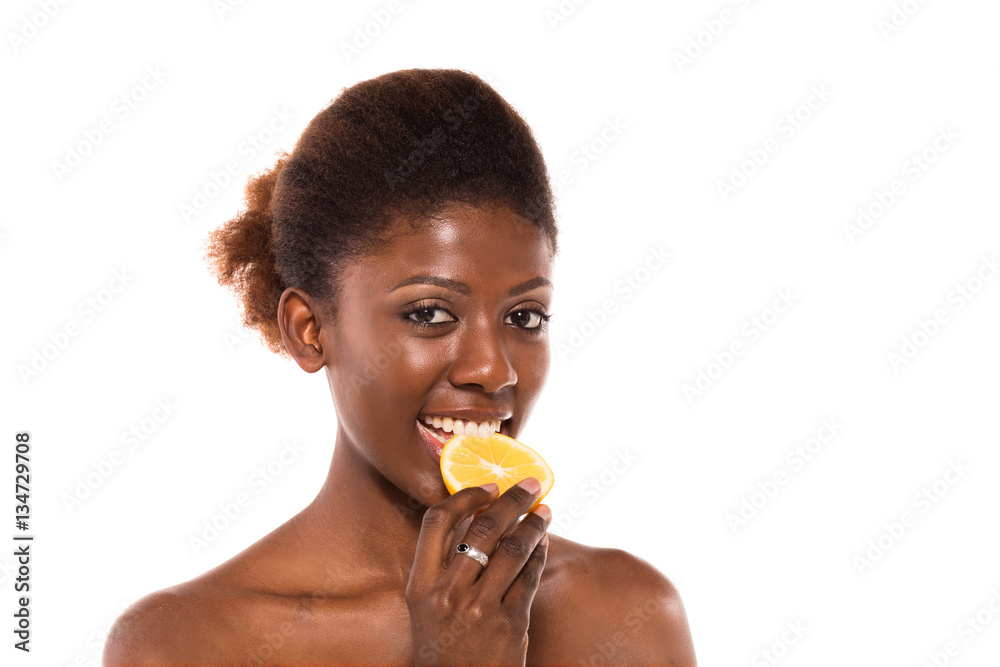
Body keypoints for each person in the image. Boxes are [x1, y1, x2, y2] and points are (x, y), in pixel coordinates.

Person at [104, 68, 696, 666]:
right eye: (431, 313)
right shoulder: (182, 645)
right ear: (310, 331)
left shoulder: (628, 616)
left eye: (524, 318)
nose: (494, 371)